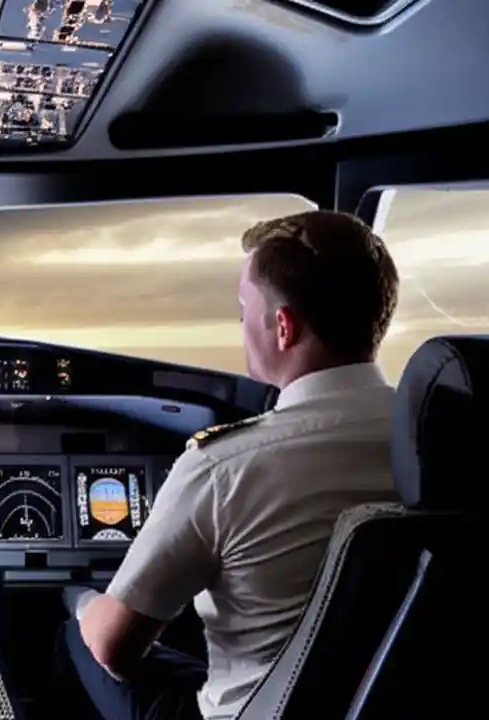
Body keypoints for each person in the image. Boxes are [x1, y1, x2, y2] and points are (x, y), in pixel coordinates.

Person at [60, 210, 402, 720]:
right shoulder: (448, 443)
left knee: (76, 629)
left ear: (283, 327)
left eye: (244, 309)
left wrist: (81, 602)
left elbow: (115, 647)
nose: (241, 324)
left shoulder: (224, 467)